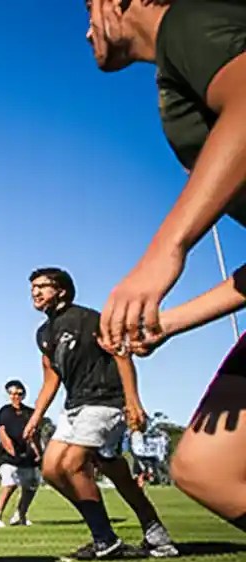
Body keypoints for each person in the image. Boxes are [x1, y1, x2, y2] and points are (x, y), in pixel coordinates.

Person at [85, 0, 246, 532]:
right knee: (208, 468)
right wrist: (172, 321)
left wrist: (167, 247)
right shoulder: (177, 71)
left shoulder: (187, 22)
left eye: (88, 9)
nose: (87, 32)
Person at [22, 268, 178, 559]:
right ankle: (154, 535)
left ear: (62, 291)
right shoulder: (43, 334)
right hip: (74, 407)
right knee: (52, 471)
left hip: (105, 401)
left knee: (71, 464)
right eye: (32, 287)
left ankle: (104, 540)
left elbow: (121, 353)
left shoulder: (89, 318)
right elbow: (50, 378)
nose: (35, 291)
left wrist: (133, 402)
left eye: (43, 286)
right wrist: (35, 416)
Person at [0, 380, 41, 527]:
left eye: (19, 393)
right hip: (10, 457)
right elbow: (2, 433)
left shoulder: (30, 413)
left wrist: (38, 452)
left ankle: (20, 515)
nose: (16, 396)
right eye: (13, 393)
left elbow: (34, 435)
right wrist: (12, 453)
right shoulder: (4, 412)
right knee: (10, 483)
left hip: (28, 455)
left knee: (31, 486)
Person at [128, 415, 170, 489]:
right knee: (144, 469)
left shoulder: (137, 434)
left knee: (144, 468)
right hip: (141, 453)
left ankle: (151, 479)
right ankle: (147, 479)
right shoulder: (136, 434)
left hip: (141, 453)